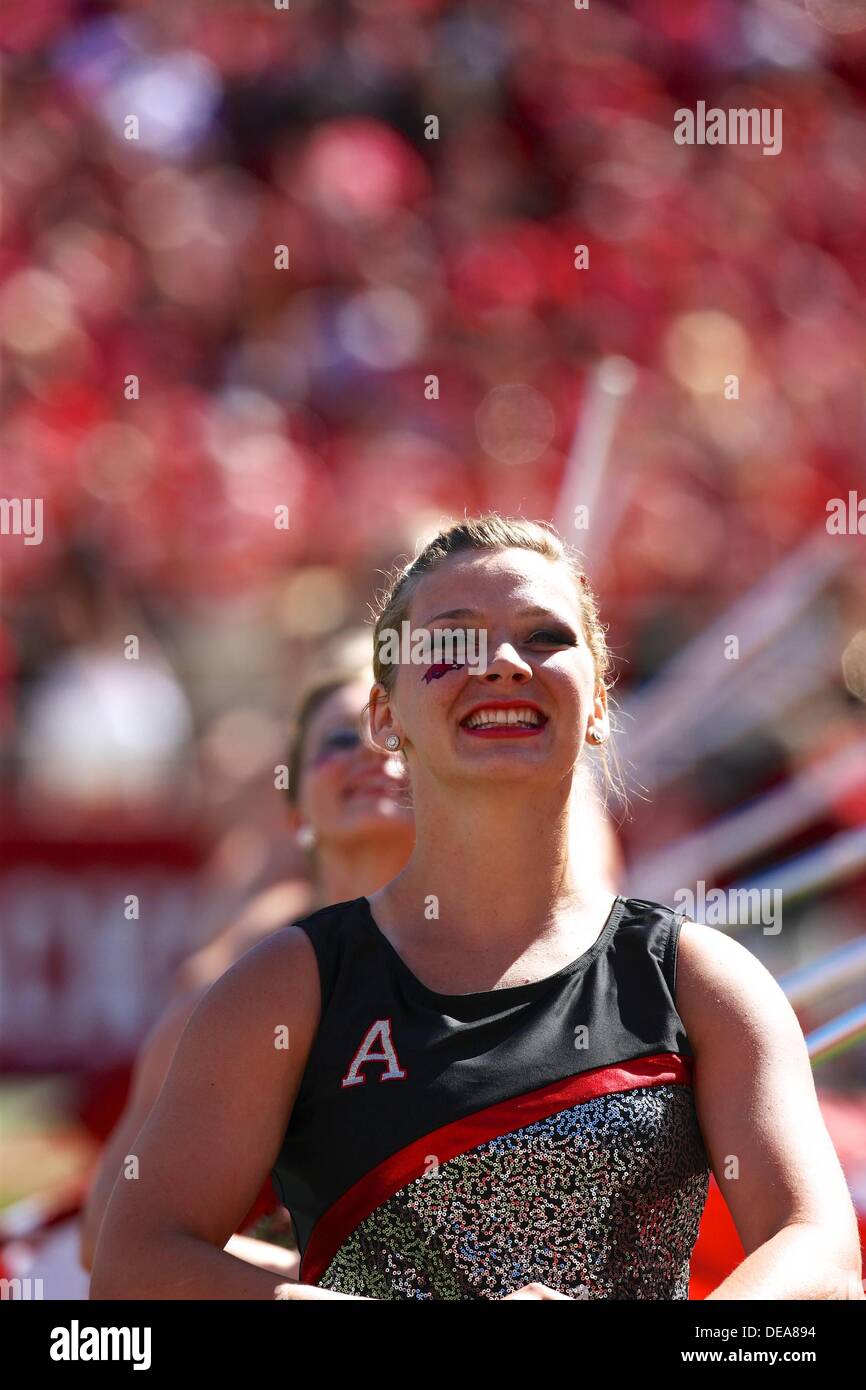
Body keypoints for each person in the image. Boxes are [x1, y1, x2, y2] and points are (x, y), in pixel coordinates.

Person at [92, 514, 863, 1300]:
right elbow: (135, 1264)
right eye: (451, 643)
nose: (500, 665)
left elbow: (822, 1256)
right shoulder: (288, 986)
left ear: (598, 704)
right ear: (386, 717)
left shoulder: (700, 980)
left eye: (544, 638)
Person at [80, 663, 415, 1278]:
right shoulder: (235, 994)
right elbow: (107, 1240)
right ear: (294, 816)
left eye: (397, 736)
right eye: (340, 739)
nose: (371, 752)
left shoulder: (509, 979)